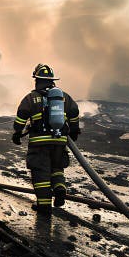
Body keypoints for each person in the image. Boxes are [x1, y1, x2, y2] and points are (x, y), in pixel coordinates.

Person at [12, 64, 80, 211]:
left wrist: (17, 133)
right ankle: (60, 188)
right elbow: (74, 113)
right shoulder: (64, 97)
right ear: (52, 80)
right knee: (57, 168)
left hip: (39, 143)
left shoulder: (31, 98)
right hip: (59, 141)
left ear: (37, 80)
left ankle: (44, 206)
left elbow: (20, 118)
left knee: (40, 174)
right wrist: (74, 131)